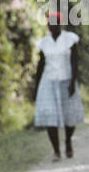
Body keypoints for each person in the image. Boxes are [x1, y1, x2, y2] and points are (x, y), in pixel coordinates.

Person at [31, 11, 83, 160]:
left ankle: (68, 142)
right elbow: (41, 65)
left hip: (66, 79)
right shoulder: (44, 42)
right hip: (48, 82)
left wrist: (73, 82)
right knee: (49, 116)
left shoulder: (70, 39)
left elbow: (74, 62)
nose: (51, 25)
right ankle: (56, 150)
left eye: (54, 22)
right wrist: (36, 86)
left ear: (60, 23)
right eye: (49, 23)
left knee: (69, 115)